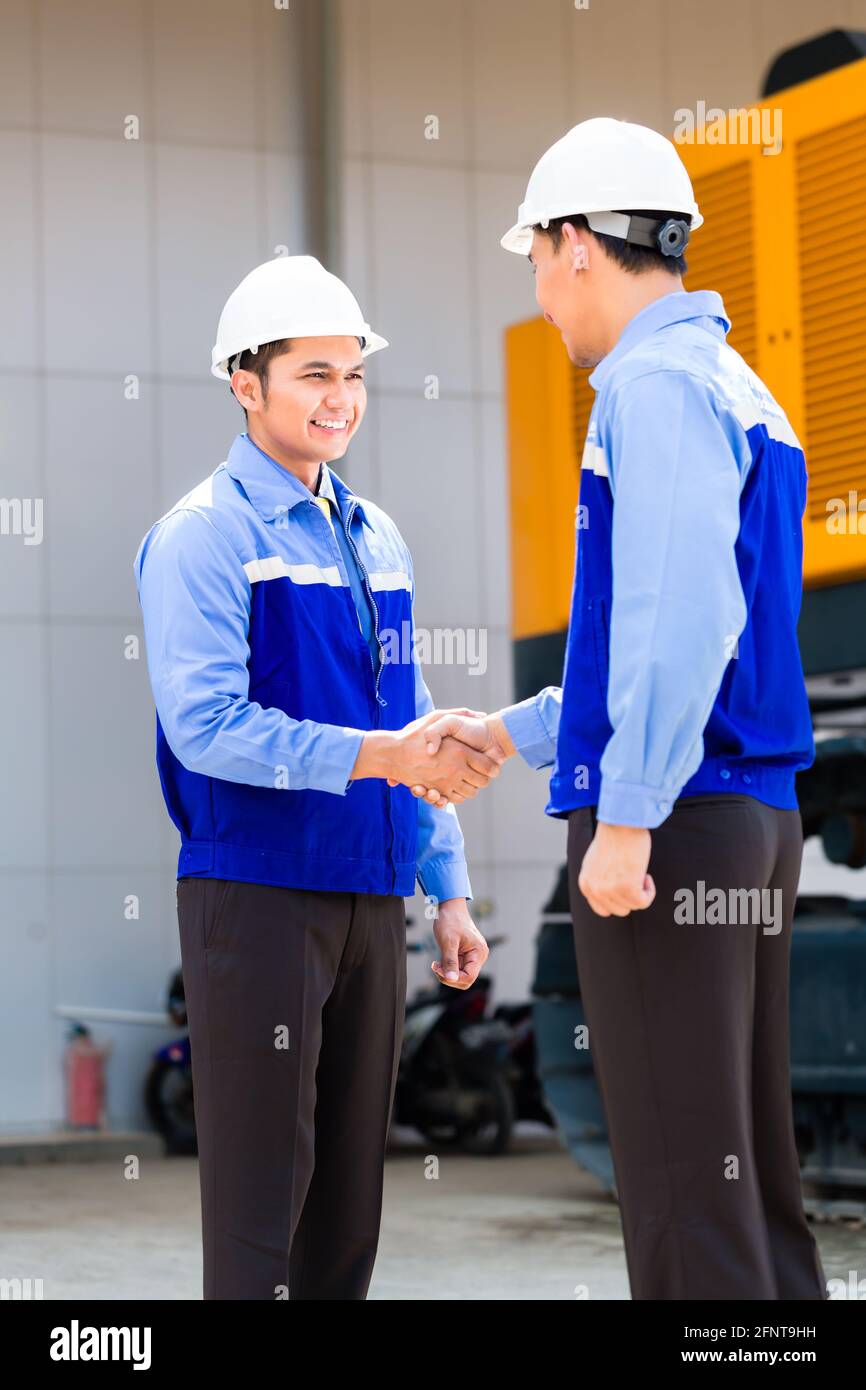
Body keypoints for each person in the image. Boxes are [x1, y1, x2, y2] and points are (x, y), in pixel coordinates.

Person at [408, 118, 828, 1301]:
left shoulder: (650, 387)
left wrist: (628, 812)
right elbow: (669, 638)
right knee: (741, 1176)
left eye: (536, 260)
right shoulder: (734, 385)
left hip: (675, 821)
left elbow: (674, 617)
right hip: (743, 811)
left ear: (577, 242)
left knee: (684, 1193)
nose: (539, 296)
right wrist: (512, 734)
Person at [133, 254, 502, 1300]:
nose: (340, 398)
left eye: (352, 374)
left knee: (346, 1206)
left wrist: (448, 886)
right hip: (256, 894)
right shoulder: (203, 536)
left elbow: (411, 718)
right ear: (244, 384)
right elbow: (205, 727)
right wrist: (376, 757)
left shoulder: (376, 538)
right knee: (261, 1202)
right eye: (313, 374)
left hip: (372, 898)